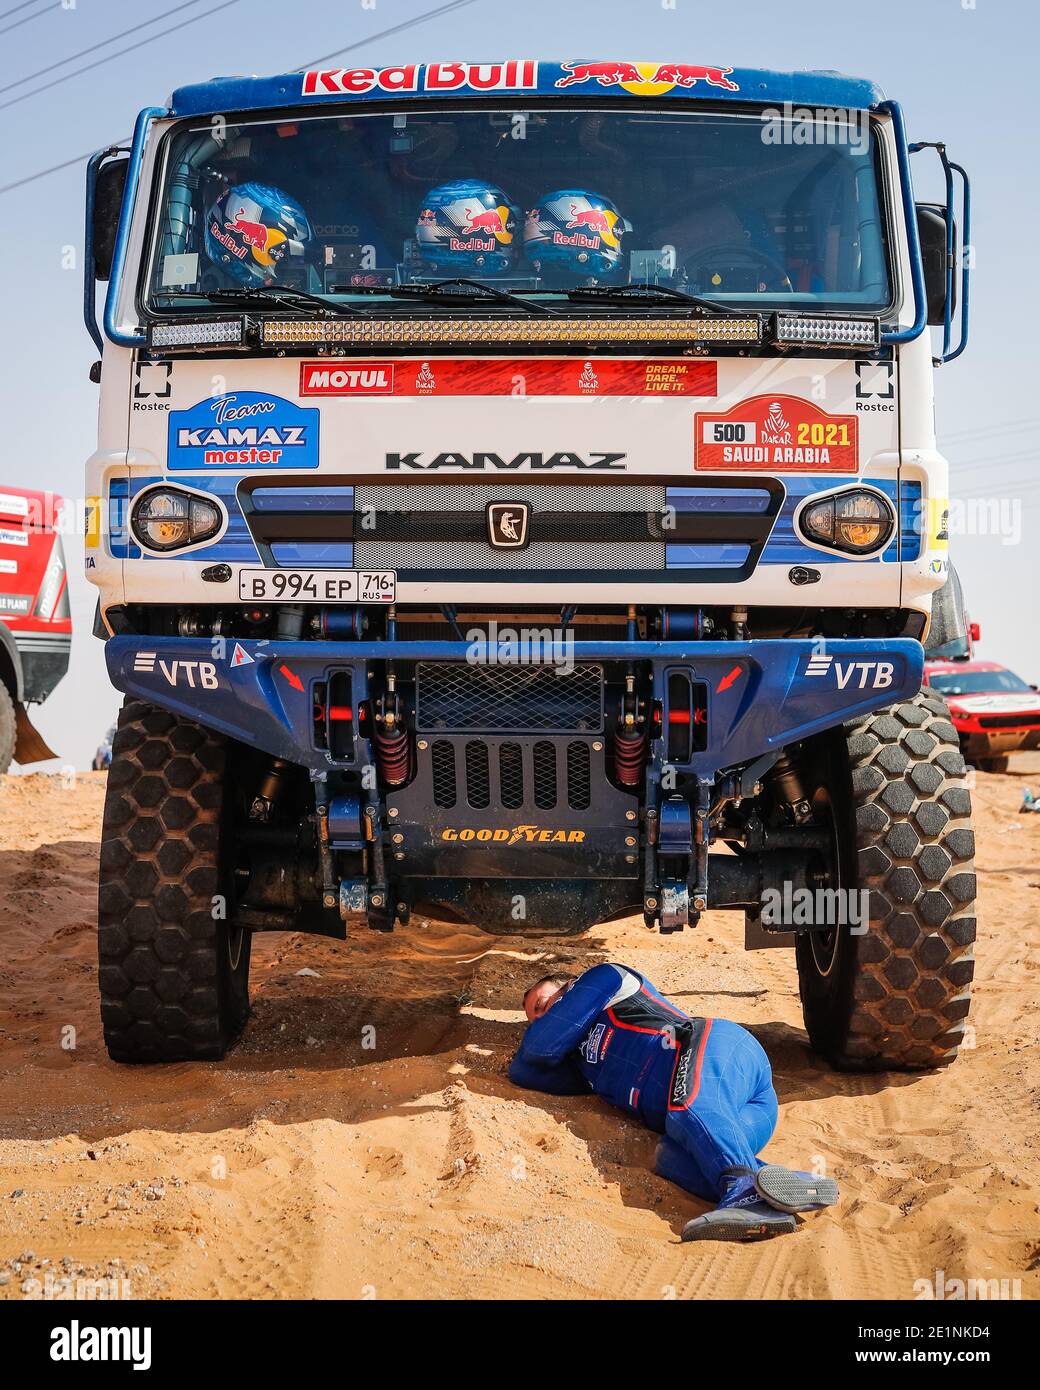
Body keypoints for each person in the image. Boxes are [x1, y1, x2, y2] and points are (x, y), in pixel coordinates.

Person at [509, 962, 837, 1241]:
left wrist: (542, 1042)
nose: (540, 1019)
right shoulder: (583, 1063)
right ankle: (784, 1187)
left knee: (685, 1111)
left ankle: (744, 1191)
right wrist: (544, 1046)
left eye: (541, 1005)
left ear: (567, 985)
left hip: (714, 1049)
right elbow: (524, 1070)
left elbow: (538, 1047)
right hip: (737, 1116)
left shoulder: (607, 978)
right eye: (532, 1019)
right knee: (671, 1158)